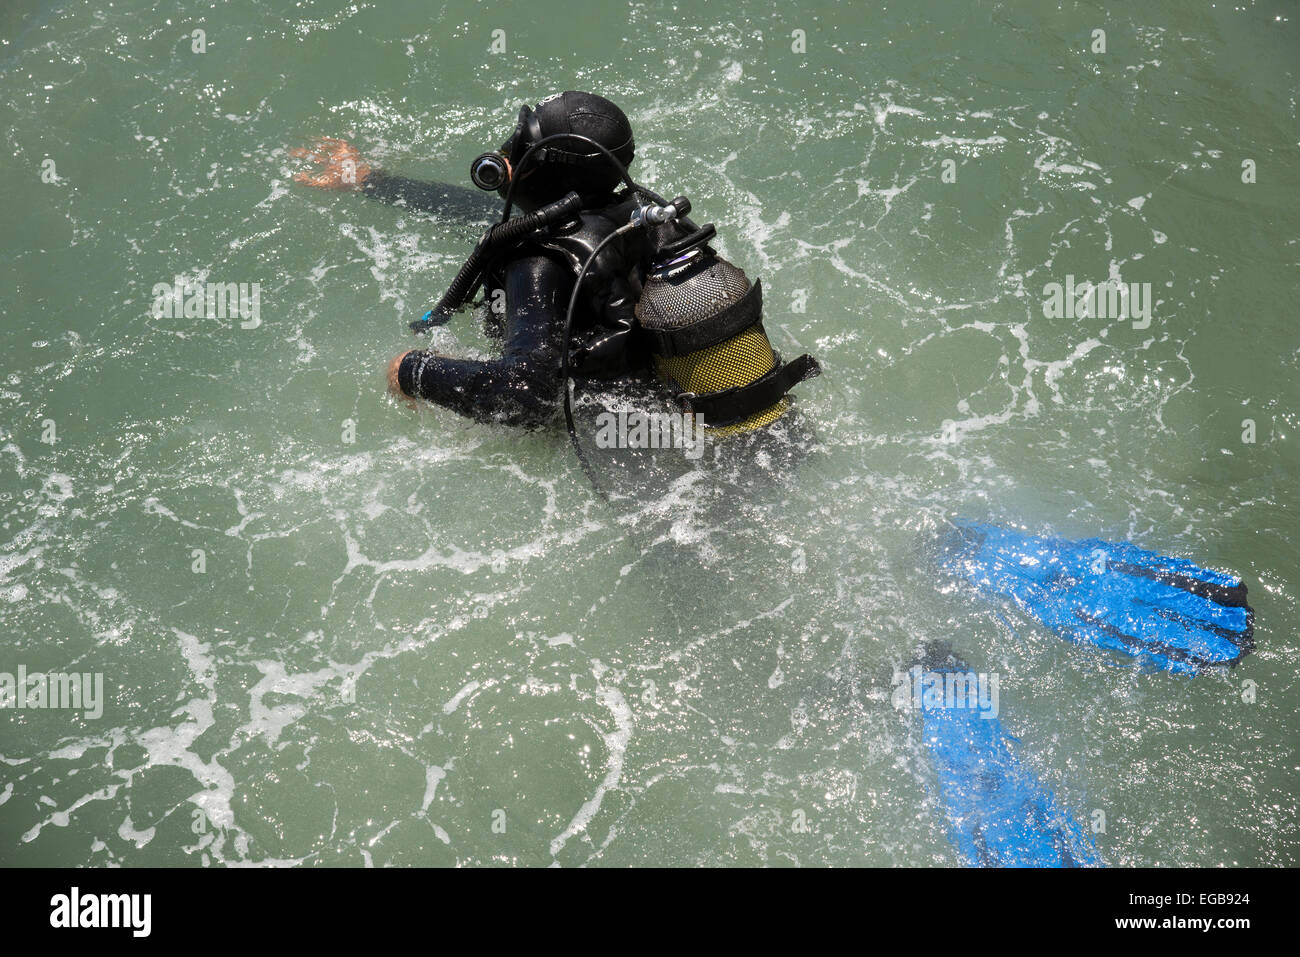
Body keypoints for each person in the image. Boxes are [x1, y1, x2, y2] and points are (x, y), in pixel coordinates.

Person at [293, 91, 818, 434]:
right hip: (745, 413)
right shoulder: (648, 213)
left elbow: (527, 394)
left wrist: (412, 371)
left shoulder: (539, 260)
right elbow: (475, 213)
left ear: (537, 167)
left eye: (521, 141)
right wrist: (371, 181)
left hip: (652, 457)